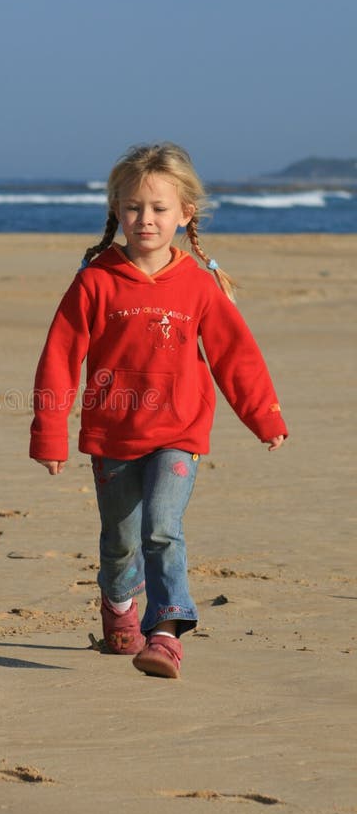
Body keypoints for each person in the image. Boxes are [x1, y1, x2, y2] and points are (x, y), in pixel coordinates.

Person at [29, 143, 287, 678]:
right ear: (116, 210)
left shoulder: (197, 285)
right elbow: (59, 359)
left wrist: (263, 415)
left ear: (185, 214)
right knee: (120, 544)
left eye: (159, 208)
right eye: (133, 207)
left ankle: (166, 632)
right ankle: (118, 602)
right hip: (113, 435)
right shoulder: (94, 281)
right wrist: (50, 433)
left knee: (162, 529)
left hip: (180, 432)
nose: (145, 219)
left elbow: (235, 355)